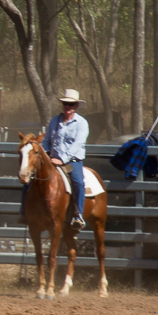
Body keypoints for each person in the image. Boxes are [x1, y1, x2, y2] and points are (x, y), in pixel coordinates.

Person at [42, 89, 90, 229]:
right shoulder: (54, 121)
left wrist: (62, 159)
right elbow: (46, 141)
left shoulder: (81, 123)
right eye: (65, 104)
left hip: (72, 161)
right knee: (32, 178)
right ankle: (26, 211)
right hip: (52, 160)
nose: (67, 107)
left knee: (78, 183)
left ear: (75, 106)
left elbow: (78, 144)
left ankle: (78, 215)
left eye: (70, 104)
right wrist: (44, 153)